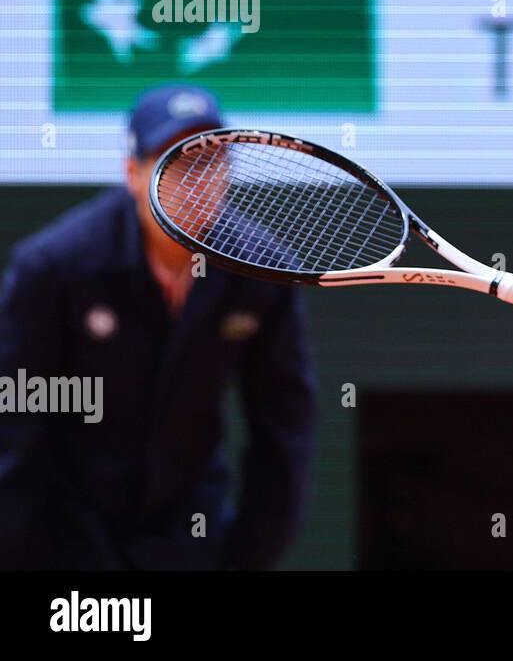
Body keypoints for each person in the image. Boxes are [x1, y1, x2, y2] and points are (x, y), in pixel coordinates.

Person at [0, 85, 316, 570]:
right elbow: (16, 426)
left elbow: (283, 425)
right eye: (178, 163)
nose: (198, 181)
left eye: (212, 161)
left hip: (190, 532)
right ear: (133, 174)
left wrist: (249, 555)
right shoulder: (54, 268)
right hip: (66, 535)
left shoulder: (263, 271)